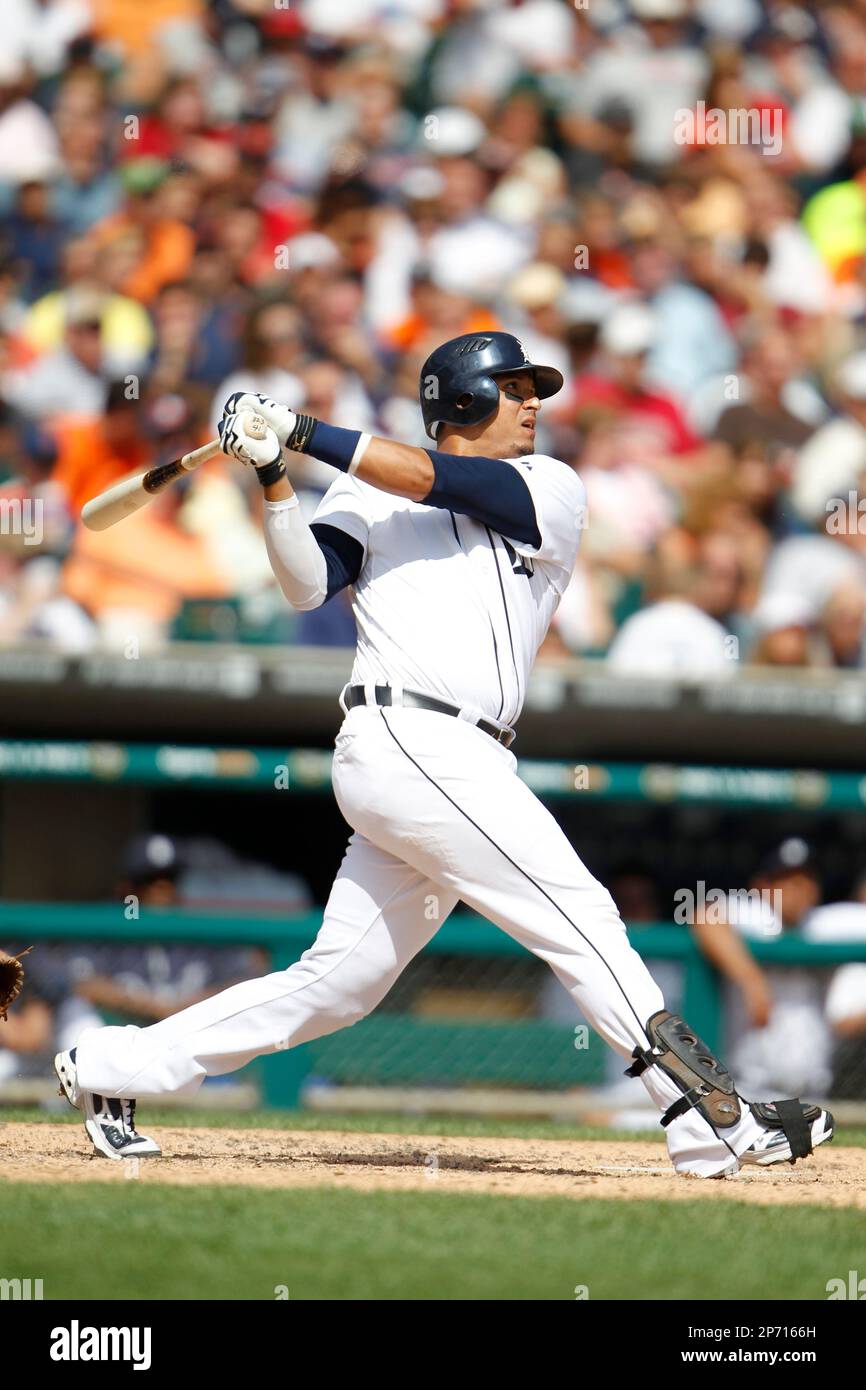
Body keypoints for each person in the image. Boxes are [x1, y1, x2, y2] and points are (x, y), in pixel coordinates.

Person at [54, 332, 833, 1175]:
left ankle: (110, 1067)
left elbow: (436, 479)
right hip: (408, 739)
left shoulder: (548, 485)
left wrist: (301, 432)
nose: (535, 401)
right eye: (514, 386)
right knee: (580, 913)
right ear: (460, 400)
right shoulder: (368, 496)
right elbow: (307, 584)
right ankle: (706, 1115)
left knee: (338, 985)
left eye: (536, 387)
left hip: (462, 757)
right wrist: (276, 478)